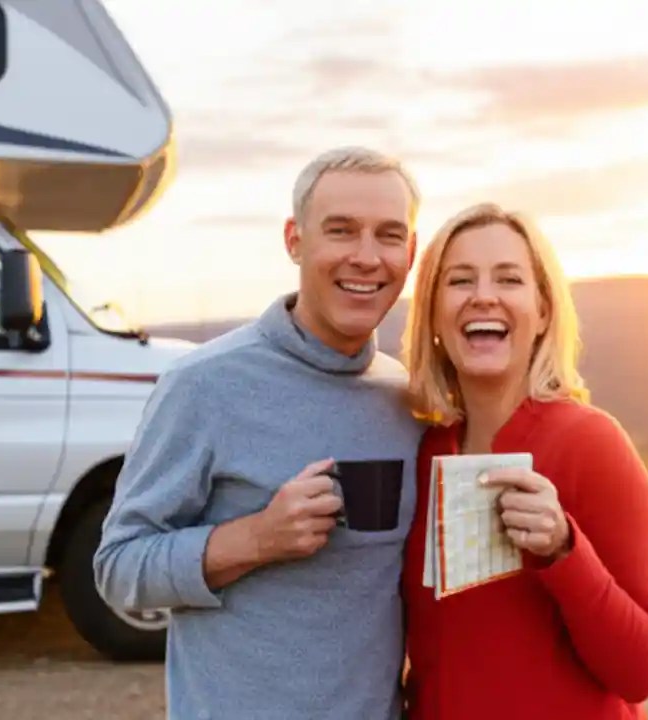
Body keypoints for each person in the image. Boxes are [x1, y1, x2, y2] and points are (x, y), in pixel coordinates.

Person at [93, 146, 424, 720]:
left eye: (389, 235)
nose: (367, 257)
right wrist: (255, 539)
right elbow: (119, 569)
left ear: (411, 252)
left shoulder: (404, 397)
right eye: (341, 231)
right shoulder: (203, 385)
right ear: (295, 240)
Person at [399, 202, 648, 719]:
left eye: (509, 279)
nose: (484, 296)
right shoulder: (423, 450)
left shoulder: (592, 444)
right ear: (433, 311)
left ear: (544, 310)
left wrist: (564, 551)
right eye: (460, 281)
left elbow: (643, 668)